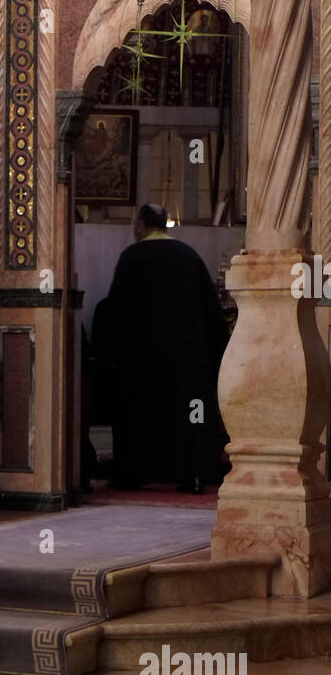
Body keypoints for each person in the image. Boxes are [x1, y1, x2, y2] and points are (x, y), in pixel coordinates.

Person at [95, 204, 230, 494]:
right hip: (187, 361)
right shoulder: (189, 257)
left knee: (138, 416)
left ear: (141, 225)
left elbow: (115, 312)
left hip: (142, 363)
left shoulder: (131, 258)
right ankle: (193, 475)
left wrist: (113, 356)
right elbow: (212, 315)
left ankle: (133, 473)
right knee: (191, 417)